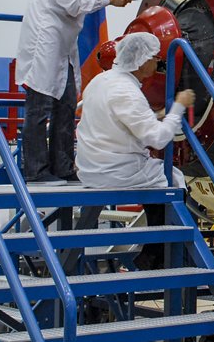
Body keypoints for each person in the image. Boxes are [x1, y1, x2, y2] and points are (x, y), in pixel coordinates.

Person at [16, 0, 157, 184]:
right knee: (39, 107)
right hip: (44, 37)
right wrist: (108, 2)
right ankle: (35, 172)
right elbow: (71, 3)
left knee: (67, 105)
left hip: (64, 39)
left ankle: (63, 168)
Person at [76, 31, 194, 270]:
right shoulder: (128, 92)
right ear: (141, 61)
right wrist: (178, 107)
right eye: (154, 57)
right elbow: (159, 139)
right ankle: (161, 254)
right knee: (172, 178)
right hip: (117, 172)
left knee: (158, 177)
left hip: (90, 167)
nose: (158, 62)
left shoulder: (101, 81)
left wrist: (157, 116)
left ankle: (154, 251)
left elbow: (120, 122)